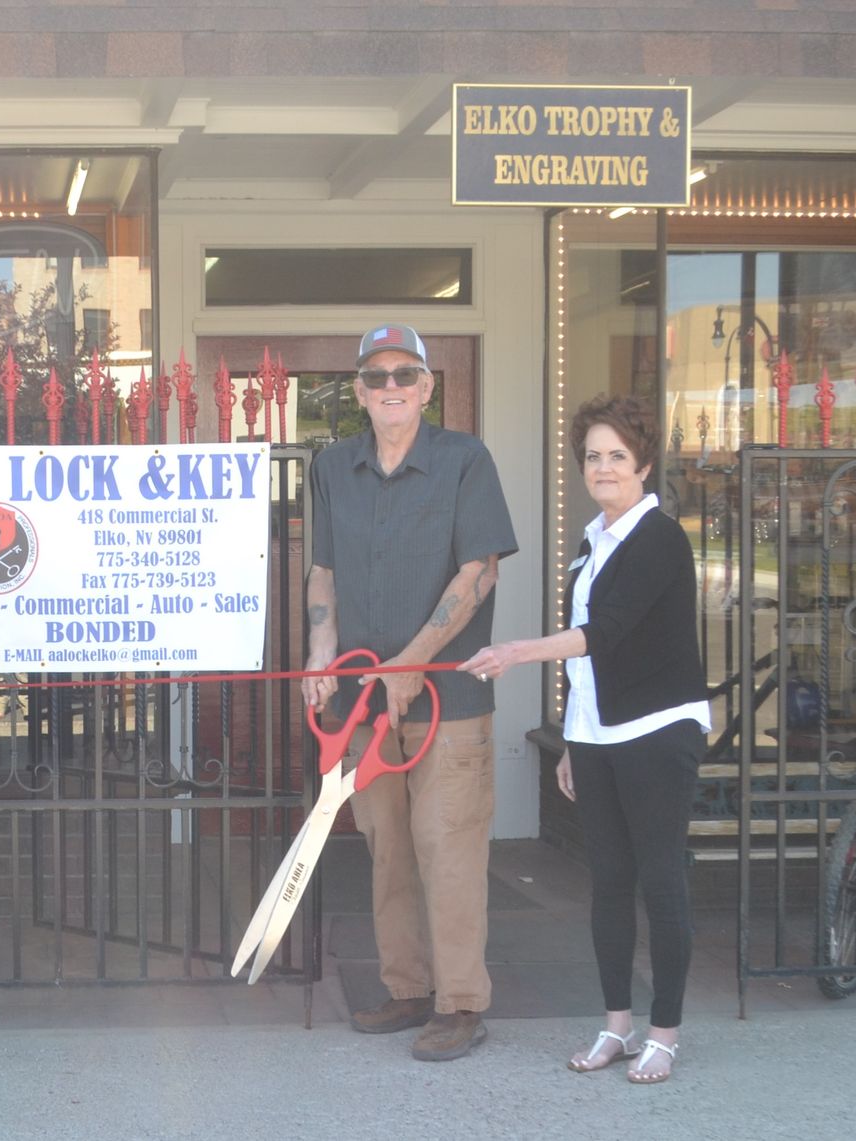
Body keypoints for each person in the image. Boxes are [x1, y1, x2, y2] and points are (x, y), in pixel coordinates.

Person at [459, 393, 709, 1084]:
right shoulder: (590, 542)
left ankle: (665, 1031)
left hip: (659, 731)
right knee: (609, 884)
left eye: (617, 456)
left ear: (644, 463)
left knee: (661, 882)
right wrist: (573, 738)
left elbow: (606, 633)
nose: (603, 467)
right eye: (594, 456)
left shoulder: (661, 538)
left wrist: (514, 650)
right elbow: (589, 662)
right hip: (598, 735)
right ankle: (617, 1027)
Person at [302, 325, 518, 1062]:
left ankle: (461, 1002)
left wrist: (413, 661)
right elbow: (322, 570)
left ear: (427, 387)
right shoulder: (333, 466)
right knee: (386, 845)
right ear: (359, 392)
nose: (390, 387)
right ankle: (408, 986)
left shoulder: (465, 460)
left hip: (447, 702)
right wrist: (320, 651)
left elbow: (479, 572)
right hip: (364, 703)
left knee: (447, 849)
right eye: (375, 376)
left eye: (404, 374)